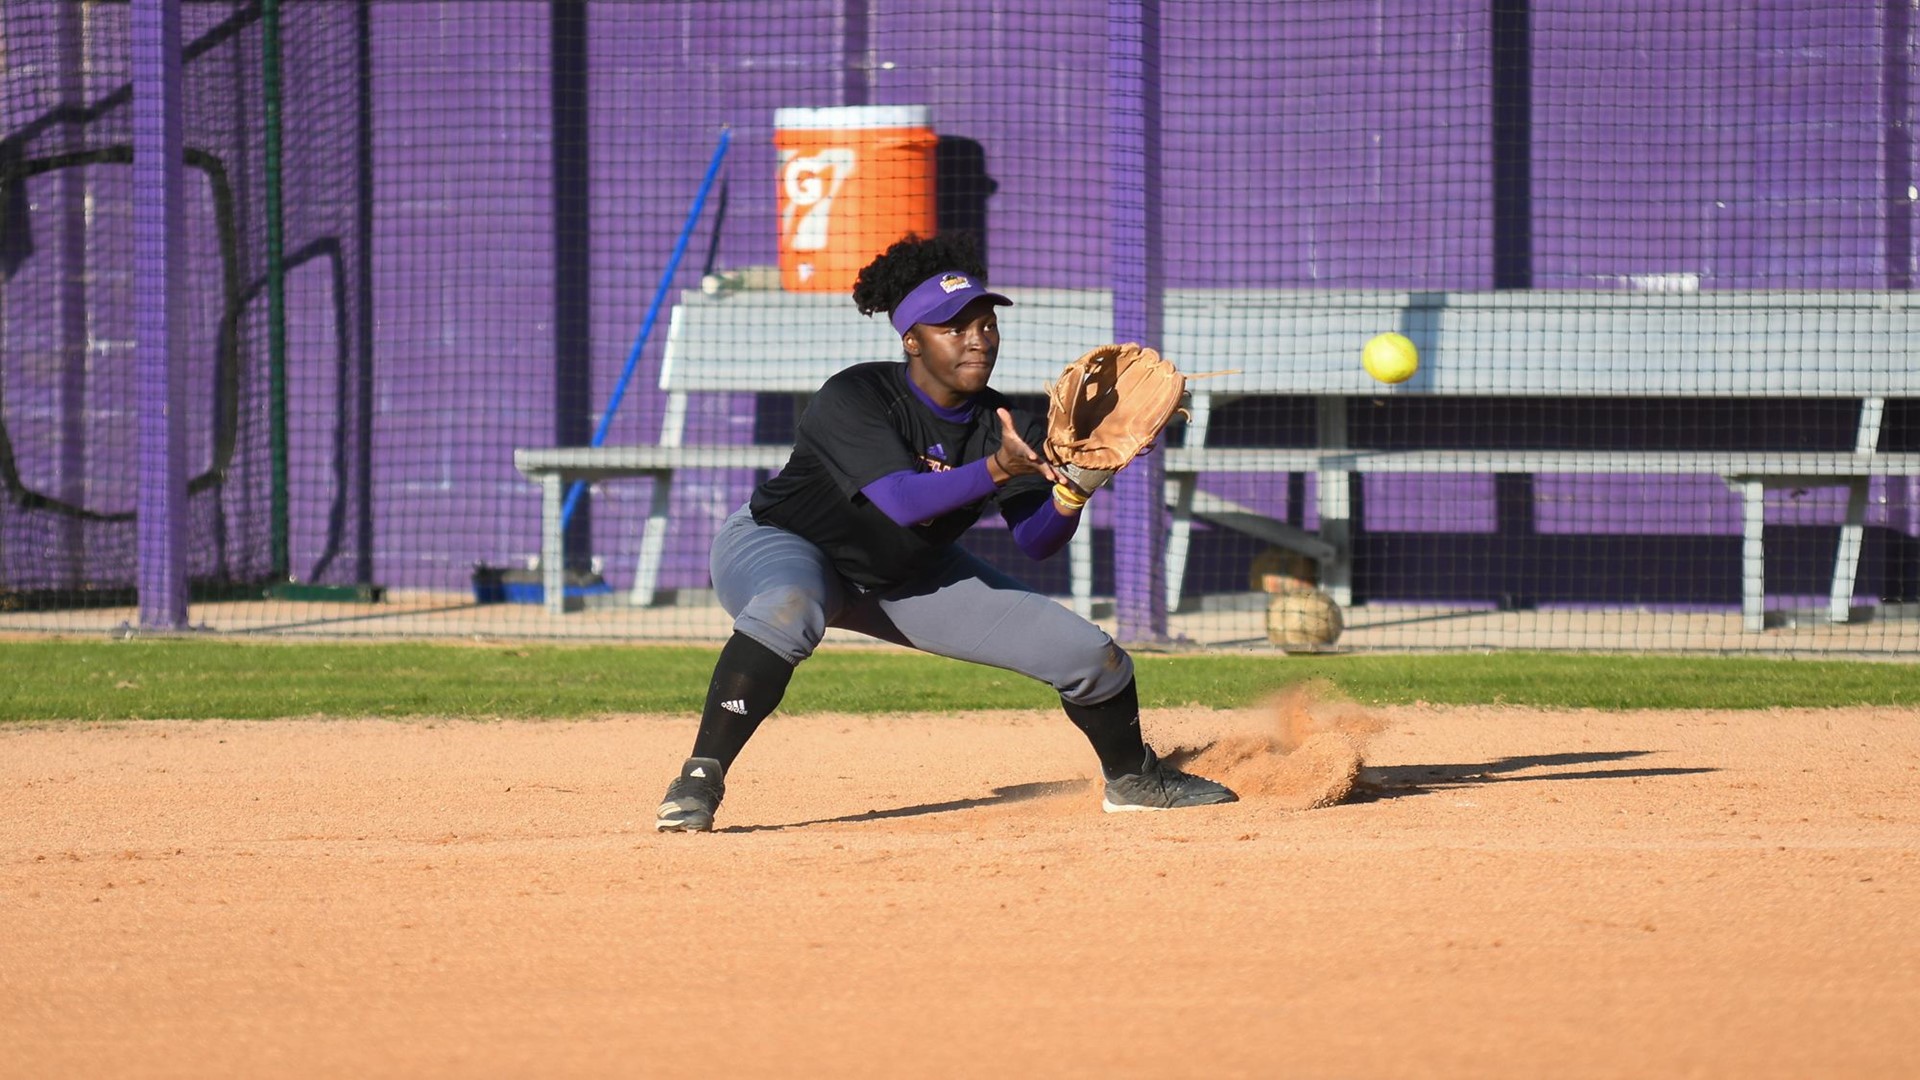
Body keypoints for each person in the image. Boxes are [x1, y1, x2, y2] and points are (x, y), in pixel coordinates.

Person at [655, 232, 1235, 832]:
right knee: (791, 606)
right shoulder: (857, 394)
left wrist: (1076, 488)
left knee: (1091, 656)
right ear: (913, 341)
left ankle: (1134, 779)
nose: (977, 338)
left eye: (986, 324)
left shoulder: (1007, 425)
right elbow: (901, 500)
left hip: (909, 574)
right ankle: (698, 779)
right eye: (954, 328)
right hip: (783, 545)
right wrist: (996, 468)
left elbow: (1035, 540)